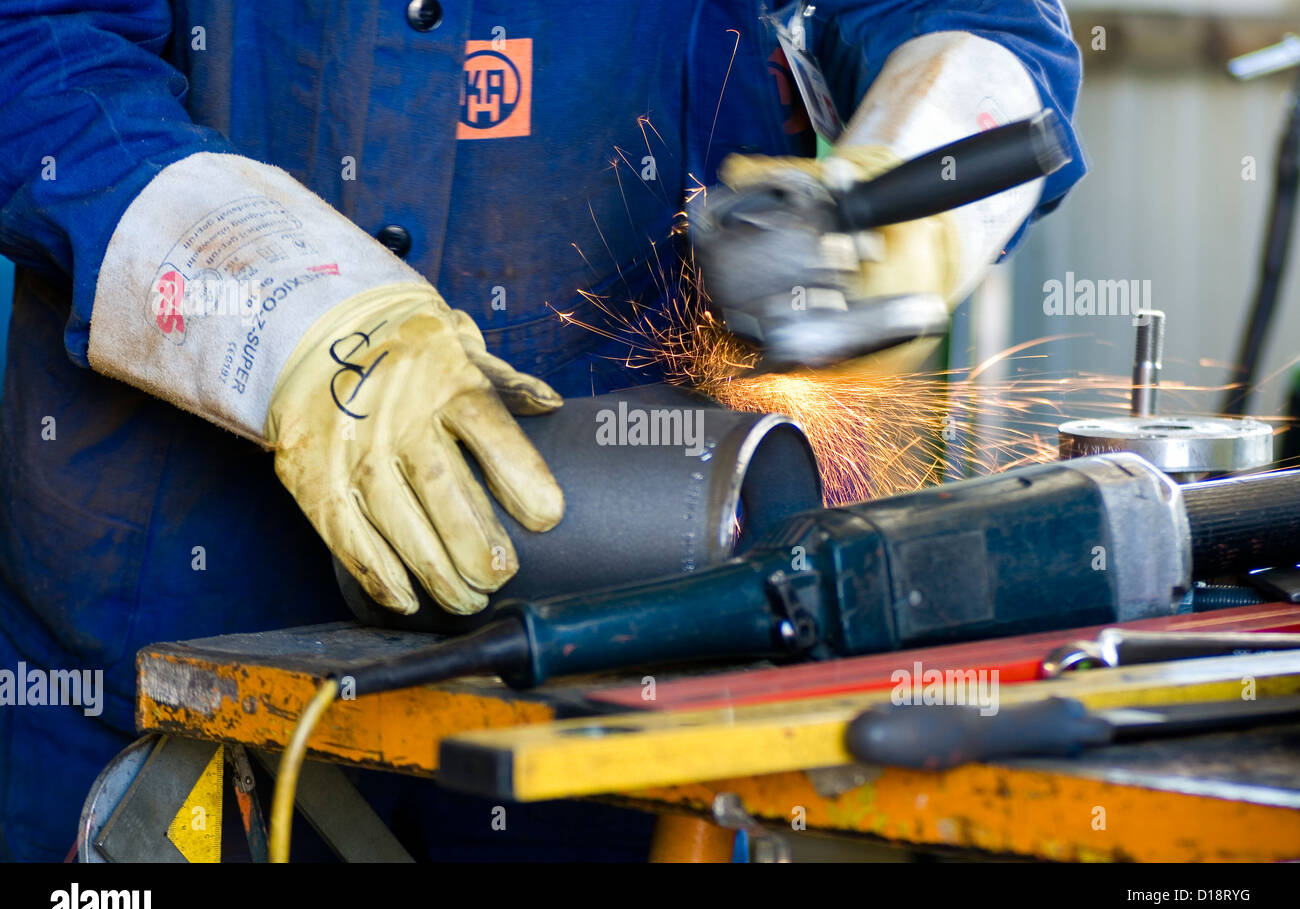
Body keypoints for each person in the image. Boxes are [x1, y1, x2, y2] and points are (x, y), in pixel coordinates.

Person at [0, 1, 1084, 861]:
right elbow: (37, 47)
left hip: (626, 633)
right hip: (172, 634)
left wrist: (902, 187)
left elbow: (974, 18)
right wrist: (284, 322)